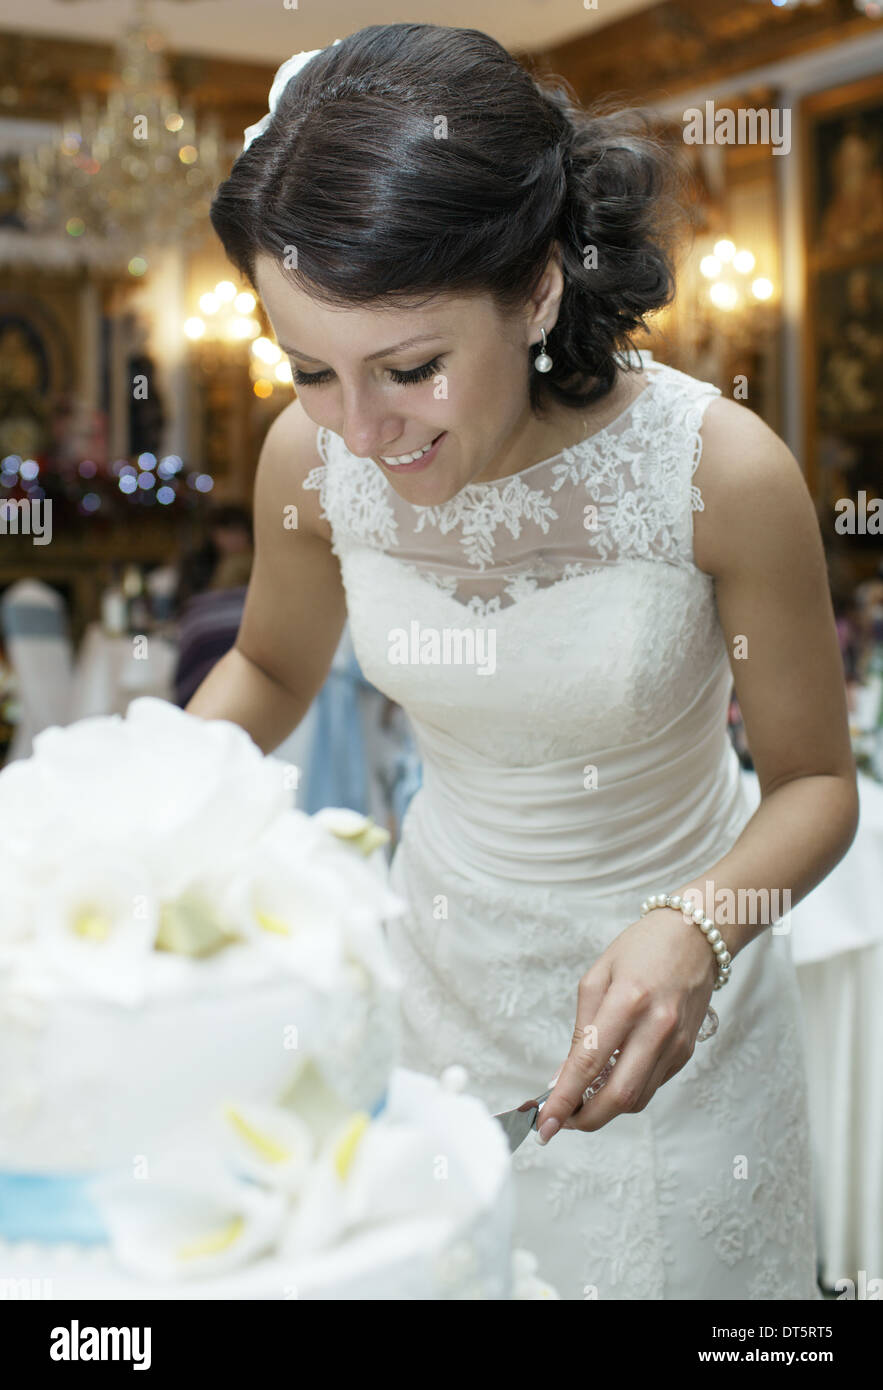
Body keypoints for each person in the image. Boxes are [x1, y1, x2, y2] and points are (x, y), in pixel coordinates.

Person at [187, 24, 859, 1299]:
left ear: (539, 289)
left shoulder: (718, 474)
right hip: (439, 982)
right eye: (308, 372)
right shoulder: (309, 461)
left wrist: (700, 929)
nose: (361, 430)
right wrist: (155, 804)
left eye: (412, 369)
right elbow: (271, 671)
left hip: (679, 1012)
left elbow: (817, 786)